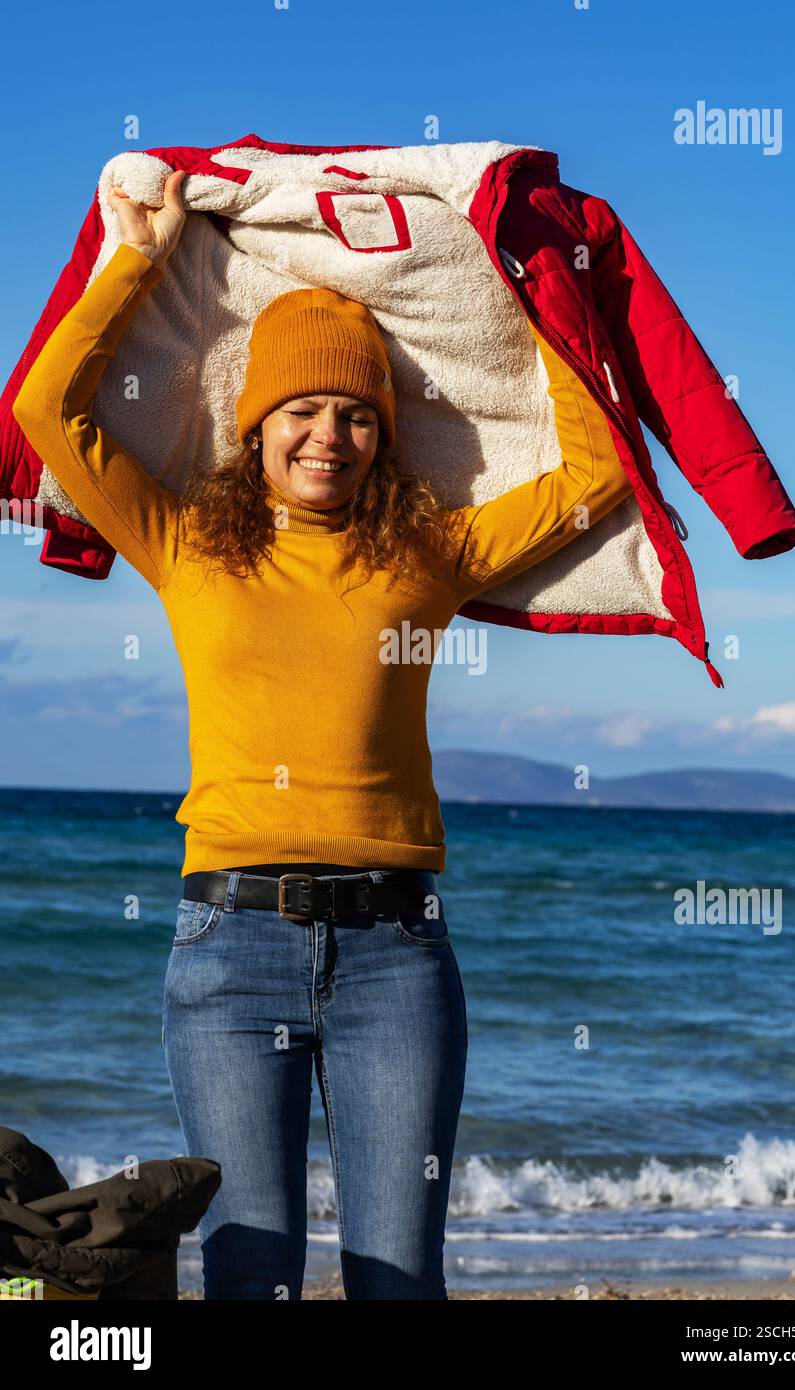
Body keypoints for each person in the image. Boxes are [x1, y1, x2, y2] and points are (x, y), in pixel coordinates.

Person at [12, 172, 633, 1299]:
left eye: (355, 414)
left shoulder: (424, 555)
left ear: (382, 435)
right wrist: (137, 256)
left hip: (397, 955)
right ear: (256, 423)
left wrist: (523, 302)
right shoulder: (187, 542)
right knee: (252, 1280)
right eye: (302, 409)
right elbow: (48, 411)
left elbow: (592, 473)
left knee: (400, 1282)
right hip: (228, 949)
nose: (329, 434)